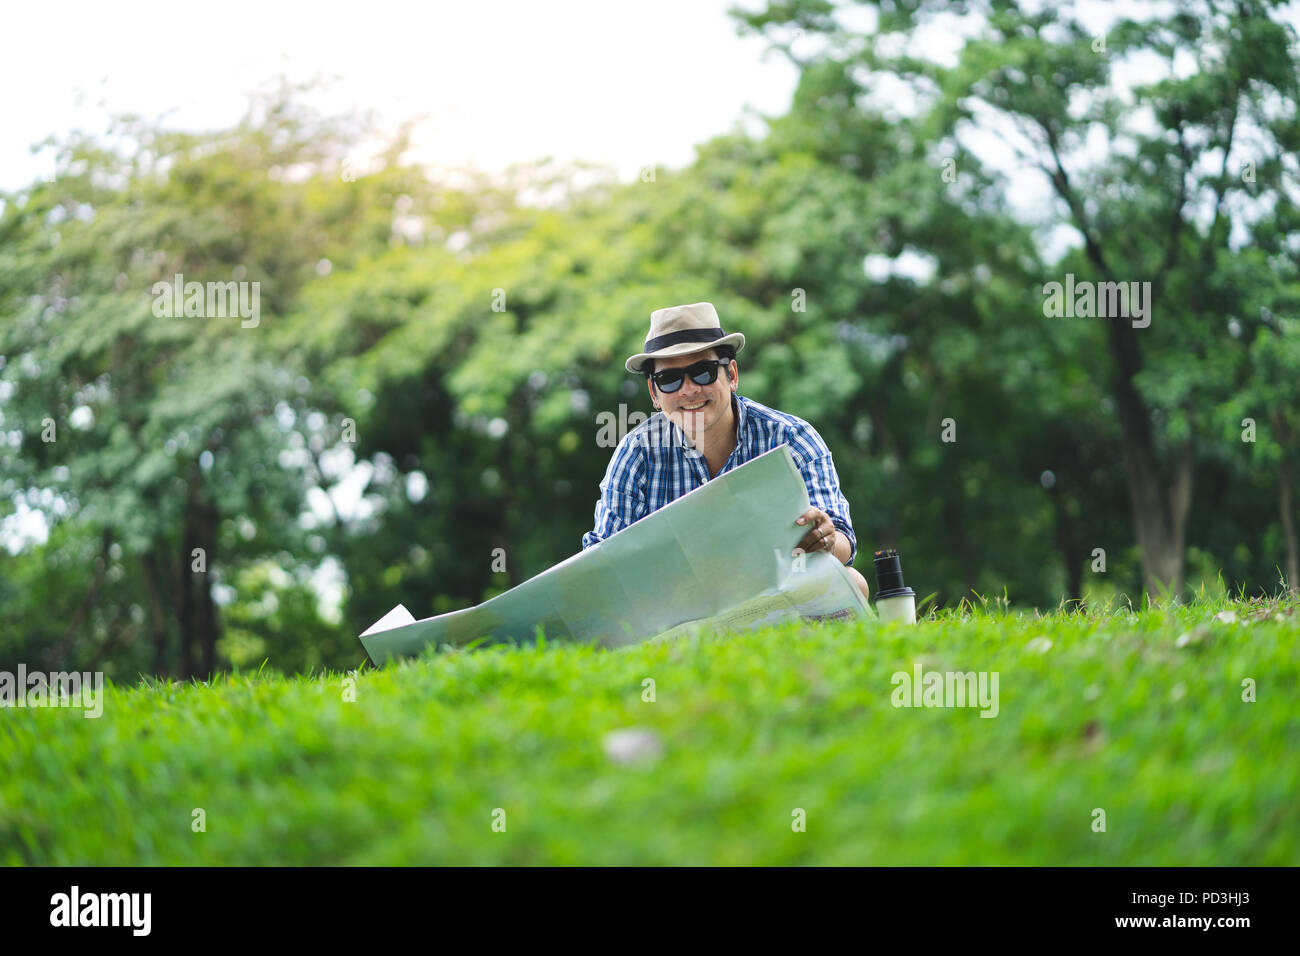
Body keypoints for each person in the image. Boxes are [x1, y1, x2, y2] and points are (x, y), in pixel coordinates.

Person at [582, 301, 871, 600]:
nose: (689, 390)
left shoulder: (791, 436)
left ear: (731, 374)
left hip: (777, 596)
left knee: (852, 582)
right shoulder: (636, 453)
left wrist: (825, 539)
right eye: (669, 379)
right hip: (675, 609)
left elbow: (842, 543)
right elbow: (601, 557)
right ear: (654, 393)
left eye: (703, 372)